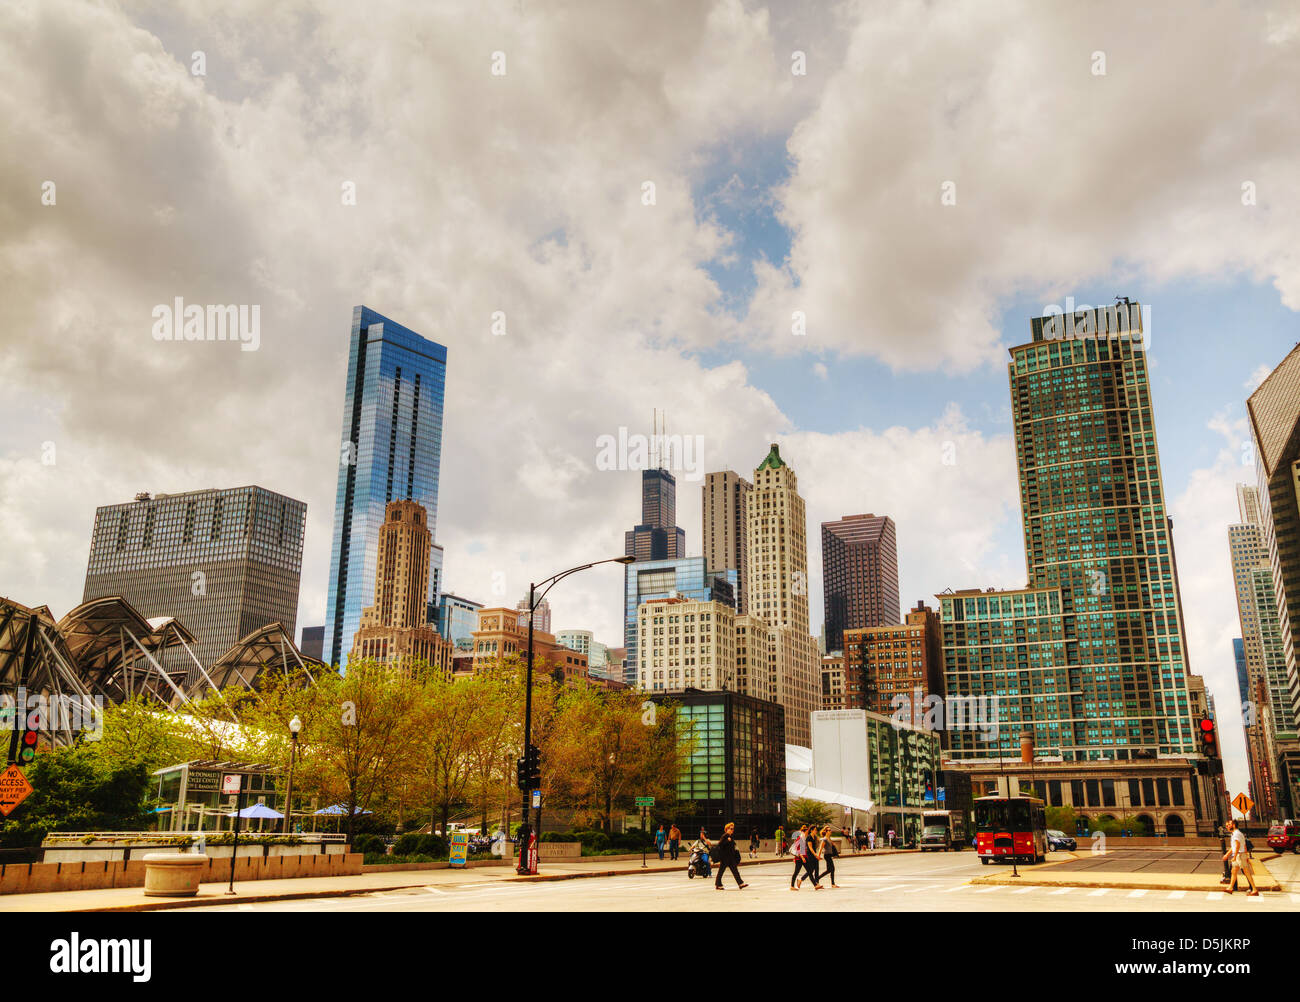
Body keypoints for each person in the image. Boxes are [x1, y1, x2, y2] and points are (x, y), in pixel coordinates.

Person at [1223, 819, 1259, 896]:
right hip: (1240, 855)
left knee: (1246, 872)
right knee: (1234, 871)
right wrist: (1245, 855)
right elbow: (1243, 845)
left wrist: (1235, 856)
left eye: (1229, 824)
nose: (1228, 826)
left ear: (1234, 825)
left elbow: (1238, 846)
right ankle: (1230, 888)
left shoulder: (1236, 834)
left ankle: (1254, 889)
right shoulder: (1235, 834)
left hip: (1239, 855)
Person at [713, 822, 748, 890]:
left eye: (733, 829)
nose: (732, 830)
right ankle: (718, 884)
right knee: (721, 871)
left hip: (730, 858)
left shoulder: (730, 836)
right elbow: (720, 845)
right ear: (727, 829)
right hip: (725, 858)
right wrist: (727, 841)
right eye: (731, 829)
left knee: (735, 871)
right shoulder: (725, 836)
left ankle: (740, 883)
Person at [789, 824, 809, 890]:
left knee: (810, 870)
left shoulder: (804, 838)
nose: (808, 833)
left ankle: (814, 884)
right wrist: (802, 857)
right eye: (807, 831)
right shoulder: (800, 838)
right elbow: (798, 849)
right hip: (799, 858)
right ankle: (792, 886)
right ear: (804, 831)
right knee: (796, 872)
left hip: (802, 857)